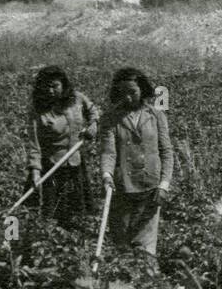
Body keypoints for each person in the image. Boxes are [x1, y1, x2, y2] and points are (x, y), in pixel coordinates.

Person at [99, 68, 173, 260]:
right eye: (123, 93)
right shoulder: (110, 118)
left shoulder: (156, 115)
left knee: (146, 245)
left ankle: (148, 283)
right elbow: (109, 152)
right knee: (122, 242)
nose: (128, 97)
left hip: (150, 187)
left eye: (132, 92)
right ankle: (123, 285)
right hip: (123, 187)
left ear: (142, 90)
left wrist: (164, 184)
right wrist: (106, 176)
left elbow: (166, 151)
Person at [26, 66, 98, 231]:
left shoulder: (77, 99)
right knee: (50, 211)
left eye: (55, 86)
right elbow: (34, 143)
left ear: (63, 85)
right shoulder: (38, 110)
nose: (51, 91)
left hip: (75, 163)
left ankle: (73, 240)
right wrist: (35, 172)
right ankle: (48, 240)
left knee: (76, 211)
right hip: (51, 166)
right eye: (46, 86)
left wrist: (94, 124)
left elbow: (93, 111)